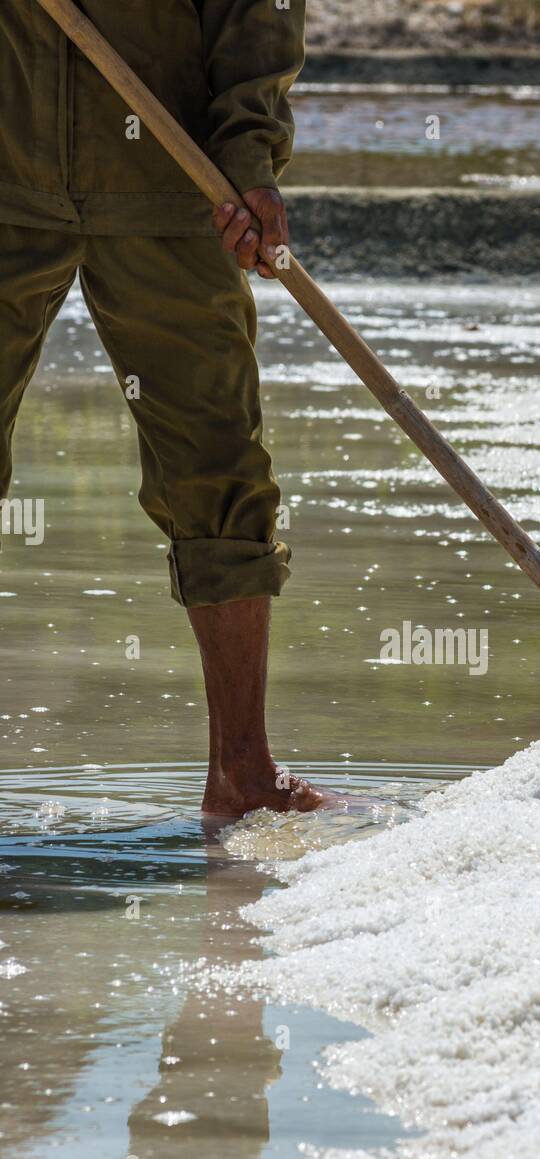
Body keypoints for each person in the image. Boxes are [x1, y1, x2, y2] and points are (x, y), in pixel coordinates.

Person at [0, 0, 328, 816]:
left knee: (218, 469)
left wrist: (250, 161)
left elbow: (257, 17)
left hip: (175, 191)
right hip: (5, 187)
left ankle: (244, 776)